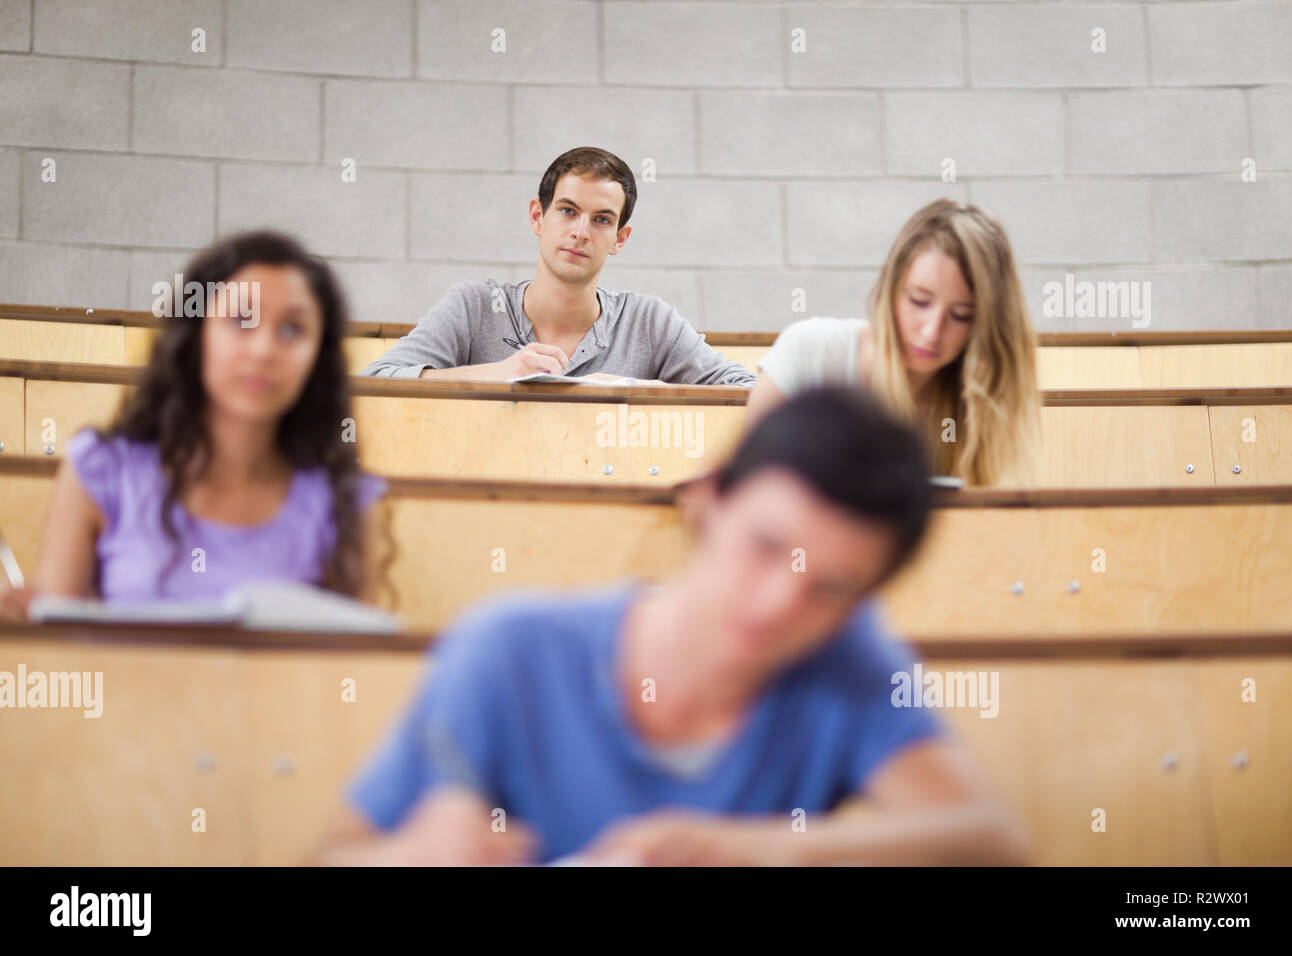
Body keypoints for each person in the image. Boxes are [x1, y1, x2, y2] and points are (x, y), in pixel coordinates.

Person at [314, 388, 1029, 866]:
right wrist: (406, 858)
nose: (782, 603)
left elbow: (994, 843)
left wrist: (756, 850)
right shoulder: (508, 650)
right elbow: (330, 856)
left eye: (832, 588)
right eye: (767, 547)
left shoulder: (847, 659)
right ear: (707, 501)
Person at [13, 231, 388, 611]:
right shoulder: (101, 471)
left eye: (292, 329)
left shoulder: (345, 501)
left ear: (316, 357)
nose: (263, 351)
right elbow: (58, 651)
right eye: (241, 320)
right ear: (197, 336)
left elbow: (354, 664)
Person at [361, 147, 755, 387]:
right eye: (568, 211)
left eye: (602, 219)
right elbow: (376, 382)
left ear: (620, 238)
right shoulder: (474, 306)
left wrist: (634, 388)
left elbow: (746, 389)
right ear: (538, 216)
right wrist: (496, 374)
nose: (581, 232)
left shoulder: (648, 321)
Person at [745, 199, 1041, 486]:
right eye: (919, 301)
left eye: (961, 315)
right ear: (891, 286)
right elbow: (747, 489)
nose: (931, 332)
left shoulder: (978, 400)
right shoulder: (810, 352)